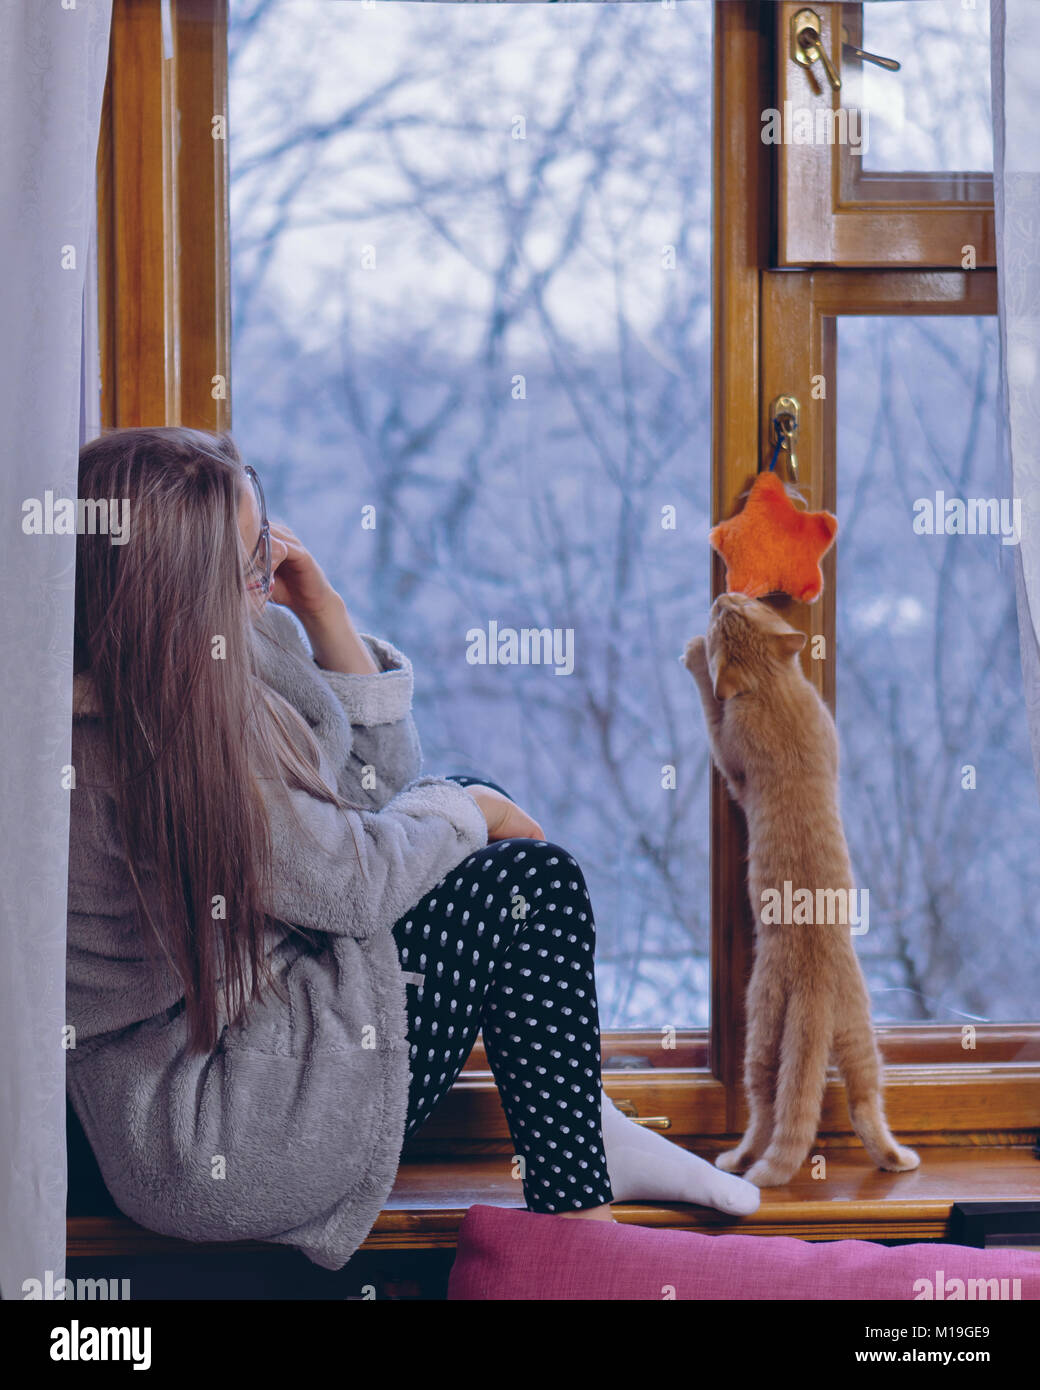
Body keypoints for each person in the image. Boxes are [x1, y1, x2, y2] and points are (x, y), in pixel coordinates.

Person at [66, 426, 759, 1272]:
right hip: (217, 1123)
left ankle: (586, 1129)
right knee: (529, 881)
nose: (264, 570)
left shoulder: (164, 665)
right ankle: (581, 1220)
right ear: (179, 584)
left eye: (263, 538)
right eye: (247, 558)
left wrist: (324, 614)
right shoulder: (158, 733)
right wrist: (467, 810)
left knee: (460, 811)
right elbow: (352, 884)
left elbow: (375, 790)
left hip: (221, 1061)